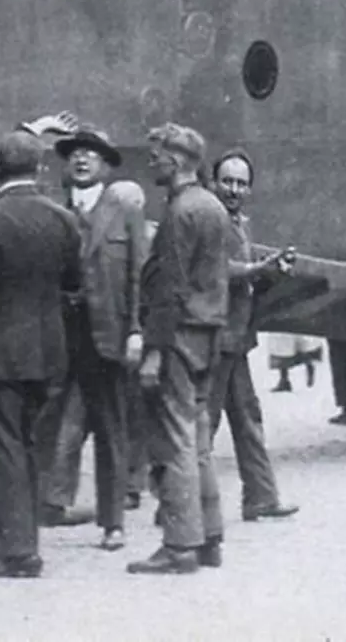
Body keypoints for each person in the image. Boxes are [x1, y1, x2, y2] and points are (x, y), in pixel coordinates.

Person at [0, 130, 83, 579]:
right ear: (40, 168)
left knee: (3, 447)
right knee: (30, 446)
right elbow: (73, 281)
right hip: (48, 350)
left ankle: (18, 551)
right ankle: (26, 540)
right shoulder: (63, 219)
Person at [128, 122, 231, 575]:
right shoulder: (211, 206)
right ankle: (209, 537)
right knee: (199, 440)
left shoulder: (178, 213)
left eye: (157, 155)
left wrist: (153, 351)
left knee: (175, 443)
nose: (151, 162)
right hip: (209, 334)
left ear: (177, 160)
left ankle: (180, 544)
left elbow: (168, 289)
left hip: (177, 337)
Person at [40, 124, 148, 549]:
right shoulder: (53, 210)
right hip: (58, 336)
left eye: (91, 154)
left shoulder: (123, 211)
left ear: (105, 165)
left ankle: (113, 521)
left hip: (106, 336)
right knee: (47, 424)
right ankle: (40, 510)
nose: (82, 159)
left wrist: (136, 330)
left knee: (109, 428)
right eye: (75, 153)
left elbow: (138, 274)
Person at [208, 148, 299, 524]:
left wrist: (272, 270)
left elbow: (245, 276)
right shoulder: (210, 220)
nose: (234, 189)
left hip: (236, 339)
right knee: (205, 422)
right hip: (216, 340)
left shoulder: (240, 222)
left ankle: (261, 496)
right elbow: (217, 269)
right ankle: (175, 503)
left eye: (241, 183)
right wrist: (259, 268)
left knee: (246, 417)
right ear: (214, 182)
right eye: (227, 181)